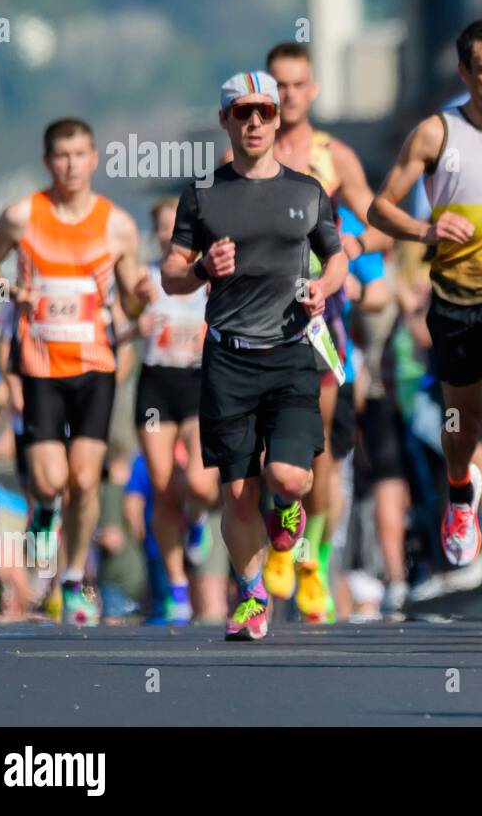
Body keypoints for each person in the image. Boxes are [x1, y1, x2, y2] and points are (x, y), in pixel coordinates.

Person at [369, 20, 482, 607]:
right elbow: (379, 208)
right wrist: (427, 228)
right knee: (460, 423)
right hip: (454, 298)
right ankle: (458, 492)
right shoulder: (435, 133)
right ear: (466, 74)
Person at [162, 70, 346, 641]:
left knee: (289, 477)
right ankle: (251, 596)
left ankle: (288, 514)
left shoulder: (305, 190)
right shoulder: (203, 193)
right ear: (226, 120)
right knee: (238, 494)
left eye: (265, 111)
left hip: (291, 355)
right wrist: (199, 270)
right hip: (228, 359)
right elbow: (171, 276)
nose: (257, 121)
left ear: (277, 117)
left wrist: (325, 287)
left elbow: (336, 257)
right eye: (244, 112)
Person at [0, 118, 154, 625]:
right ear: (47, 160)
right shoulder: (22, 216)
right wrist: (14, 291)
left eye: (80, 154)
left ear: (94, 158)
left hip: (95, 365)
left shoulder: (116, 224)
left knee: (84, 479)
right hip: (39, 365)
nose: (71, 165)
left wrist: (141, 301)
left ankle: (74, 578)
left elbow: (132, 301)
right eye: (61, 155)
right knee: (51, 480)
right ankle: (46, 513)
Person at [229, 42, 380, 621]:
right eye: (279, 87)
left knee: (315, 441)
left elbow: (377, 217)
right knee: (269, 446)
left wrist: (358, 248)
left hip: (320, 319)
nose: (288, 96)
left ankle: (311, 552)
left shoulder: (333, 155)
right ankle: (282, 524)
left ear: (312, 90)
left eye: (298, 85)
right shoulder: (247, 151)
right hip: (257, 319)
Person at [134, 197, 216, 625]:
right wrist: (136, 322)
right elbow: (121, 325)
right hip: (156, 388)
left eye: (177, 226)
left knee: (202, 484)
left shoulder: (207, 277)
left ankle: (198, 518)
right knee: (164, 487)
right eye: (163, 228)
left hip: (198, 384)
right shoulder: (146, 277)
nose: (171, 234)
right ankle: (176, 585)